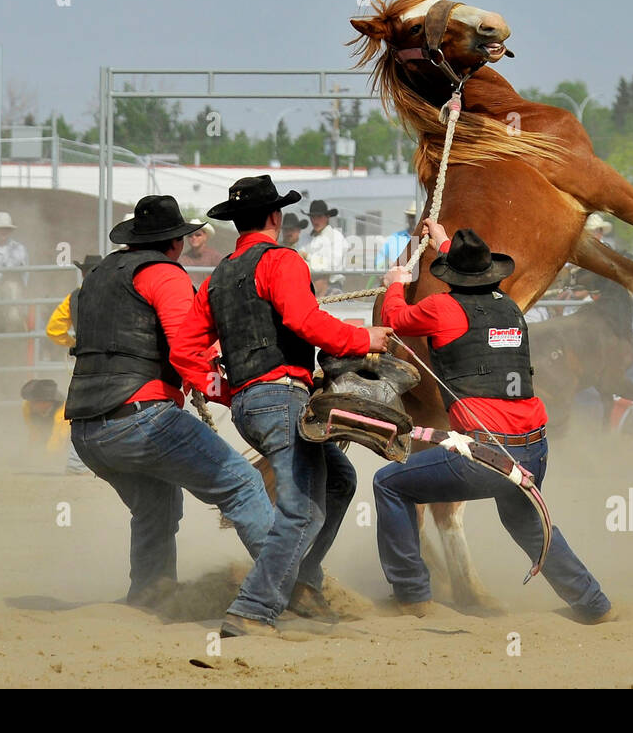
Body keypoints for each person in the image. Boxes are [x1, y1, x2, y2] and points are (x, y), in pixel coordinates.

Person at [170, 175, 393, 637]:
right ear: (275, 217)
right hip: (284, 398)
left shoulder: (218, 278)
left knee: (339, 480)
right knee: (301, 512)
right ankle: (254, 607)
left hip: (249, 407)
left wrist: (225, 392)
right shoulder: (282, 261)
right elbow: (303, 320)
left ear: (235, 223)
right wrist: (363, 338)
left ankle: (302, 581)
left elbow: (185, 350)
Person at [372, 220, 616, 624]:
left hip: (483, 452)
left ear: (450, 276)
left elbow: (395, 318)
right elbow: (472, 274)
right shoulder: (508, 306)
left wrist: (395, 281)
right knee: (525, 521)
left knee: (389, 484)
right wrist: (446, 238)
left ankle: (412, 594)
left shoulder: (441, 308)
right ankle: (592, 603)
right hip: (533, 449)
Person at [65, 195, 275, 609]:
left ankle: (150, 595)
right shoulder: (165, 274)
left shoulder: (98, 276)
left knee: (157, 506)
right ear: (175, 243)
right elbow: (186, 350)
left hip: (87, 431)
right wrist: (229, 394)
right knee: (243, 483)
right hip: (141, 418)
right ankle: (285, 588)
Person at [45, 254, 101, 475]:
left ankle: (77, 462)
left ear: (83, 273)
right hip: (116, 359)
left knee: (84, 411)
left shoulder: (74, 297)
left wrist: (74, 343)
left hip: (85, 360)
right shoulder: (117, 293)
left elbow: (54, 330)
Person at [302, 198, 348, 297]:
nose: (315, 220)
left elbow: (331, 266)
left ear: (327, 217)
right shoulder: (306, 239)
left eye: (319, 216)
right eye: (313, 217)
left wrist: (308, 257)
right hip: (309, 285)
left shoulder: (336, 237)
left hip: (332, 286)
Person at [374, 203, 417, 270]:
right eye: (412, 217)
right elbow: (378, 263)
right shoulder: (394, 239)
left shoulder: (430, 239)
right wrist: (387, 265)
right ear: (407, 218)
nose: (415, 220)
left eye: (418, 217)